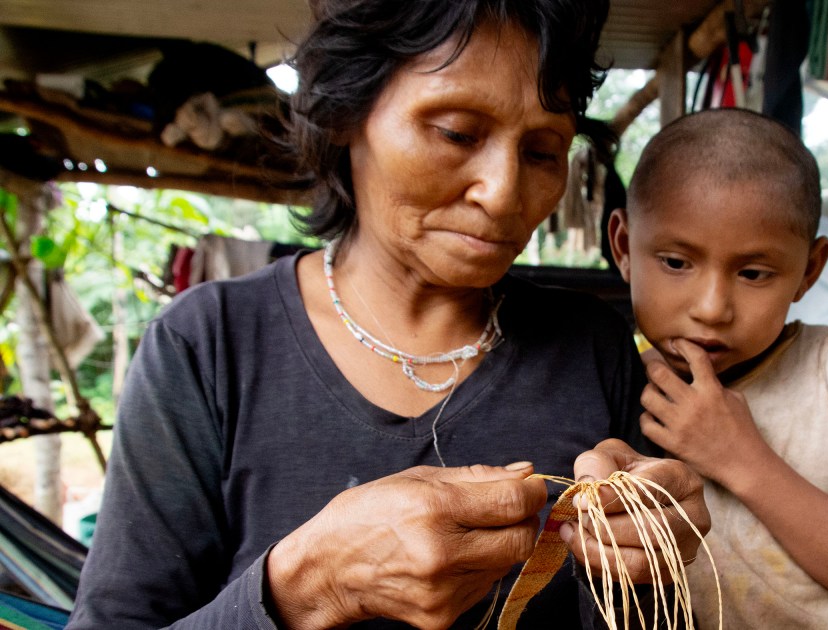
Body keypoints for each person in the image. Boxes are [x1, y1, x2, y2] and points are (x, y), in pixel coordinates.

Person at [67, 1, 709, 628]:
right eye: (457, 132)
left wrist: (650, 559)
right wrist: (309, 586)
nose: (503, 192)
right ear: (346, 116)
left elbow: (647, 616)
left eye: (542, 152)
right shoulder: (207, 347)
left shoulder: (590, 346)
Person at [606, 108, 828, 628]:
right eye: (676, 262)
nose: (712, 307)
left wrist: (740, 458)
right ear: (623, 247)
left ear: (809, 270)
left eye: (753, 272)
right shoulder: (615, 378)